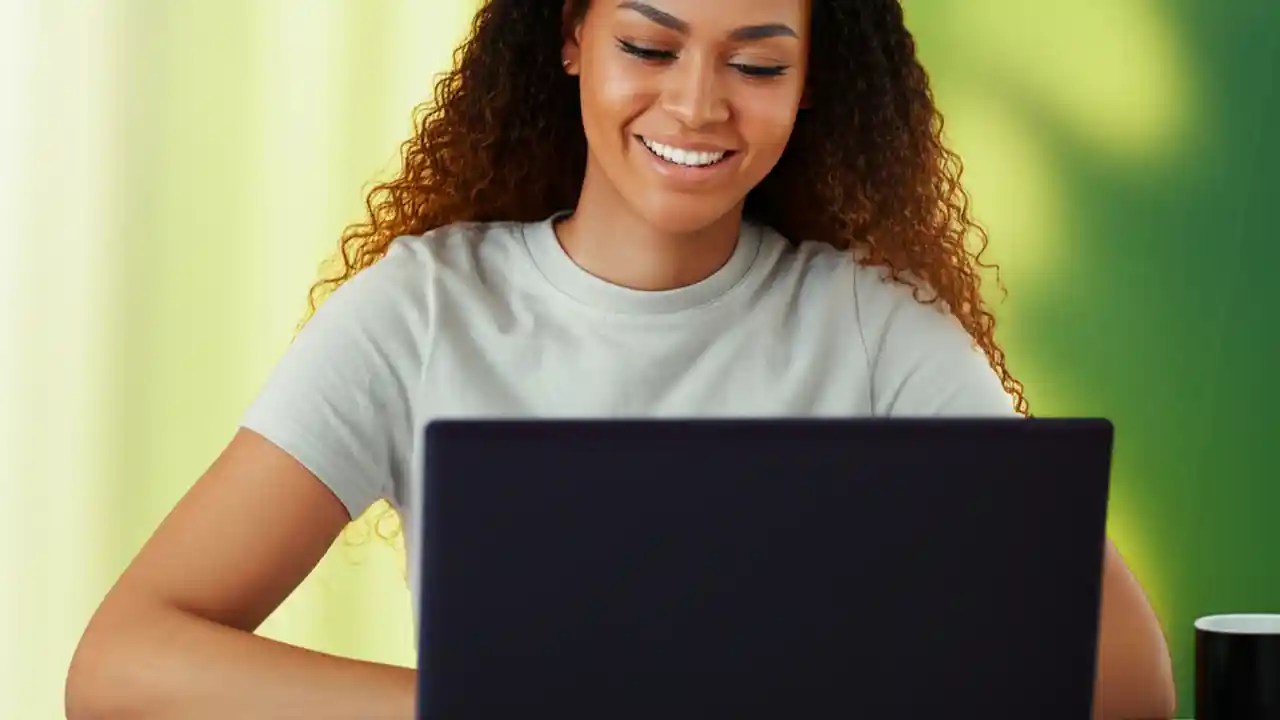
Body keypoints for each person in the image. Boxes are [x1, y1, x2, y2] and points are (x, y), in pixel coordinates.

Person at [66, 1, 1177, 718]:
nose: (696, 104)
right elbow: (121, 666)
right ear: (568, 38)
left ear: (808, 84)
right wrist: (478, 707)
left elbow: (1126, 683)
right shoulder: (423, 312)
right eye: (648, 46)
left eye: (756, 63)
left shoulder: (873, 332)